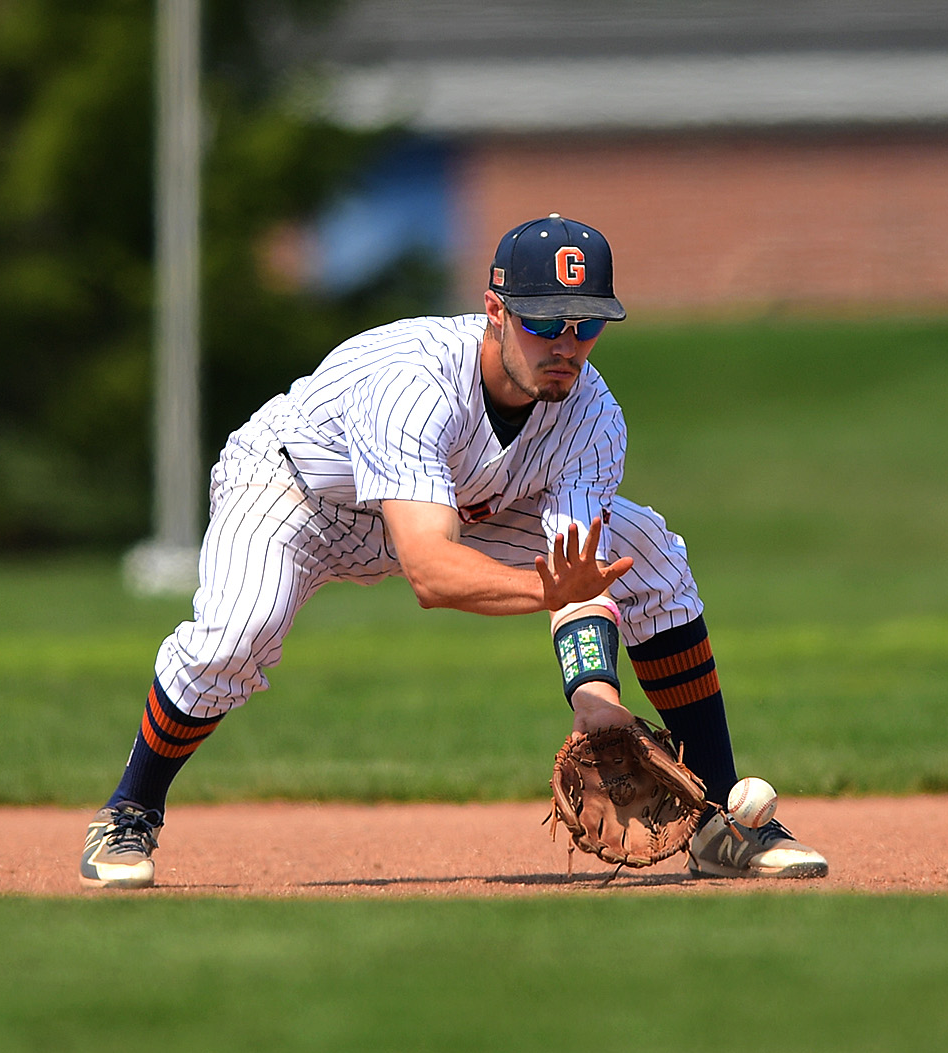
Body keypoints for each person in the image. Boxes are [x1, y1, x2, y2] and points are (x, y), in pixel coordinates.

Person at [80, 215, 828, 887]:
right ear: (496, 310)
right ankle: (130, 809)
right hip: (297, 493)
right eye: (545, 323)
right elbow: (432, 572)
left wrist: (596, 702)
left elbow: (580, 564)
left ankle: (721, 823)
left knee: (645, 550)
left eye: (586, 325)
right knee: (238, 634)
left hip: (462, 506)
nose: (567, 345)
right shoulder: (414, 382)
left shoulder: (591, 415)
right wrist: (556, 592)